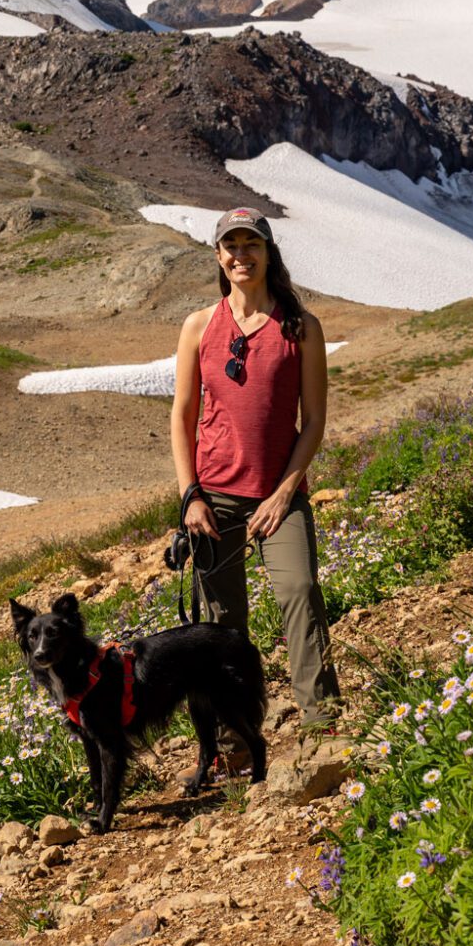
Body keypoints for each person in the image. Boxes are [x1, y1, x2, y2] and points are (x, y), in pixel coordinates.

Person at [170, 206, 340, 731]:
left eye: (251, 245)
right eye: (231, 246)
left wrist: (284, 492)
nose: (241, 255)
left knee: (301, 594)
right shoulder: (199, 326)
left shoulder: (301, 328)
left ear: (269, 253)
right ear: (219, 257)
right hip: (213, 499)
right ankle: (232, 740)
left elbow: (313, 421)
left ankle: (322, 721)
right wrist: (189, 497)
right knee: (223, 626)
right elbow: (181, 415)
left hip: (279, 496)